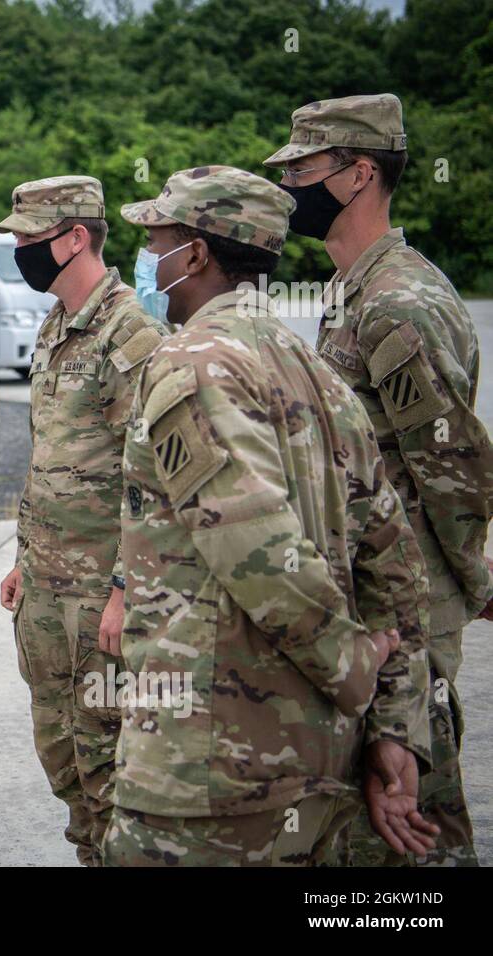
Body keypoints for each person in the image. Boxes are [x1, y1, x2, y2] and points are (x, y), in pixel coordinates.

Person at [105, 164, 436, 866]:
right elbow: (393, 558)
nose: (142, 259)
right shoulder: (312, 369)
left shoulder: (195, 362)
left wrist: (355, 671)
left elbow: (261, 555)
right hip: (315, 763)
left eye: (155, 240)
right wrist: (393, 730)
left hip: (212, 773)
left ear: (195, 254)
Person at [264, 92, 493, 866]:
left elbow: (451, 466)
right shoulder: (355, 290)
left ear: (361, 173)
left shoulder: (397, 302)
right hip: (370, 598)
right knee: (366, 819)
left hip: (410, 605)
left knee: (410, 824)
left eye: (303, 169)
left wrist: (473, 578)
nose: (288, 185)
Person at [0, 176, 165, 865]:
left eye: (31, 239)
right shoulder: (58, 323)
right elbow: (54, 456)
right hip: (47, 581)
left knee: (109, 751)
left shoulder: (130, 331)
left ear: (74, 237)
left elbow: (149, 477)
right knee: (59, 746)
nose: (22, 252)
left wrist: (126, 590)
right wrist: (23, 556)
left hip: (102, 592)